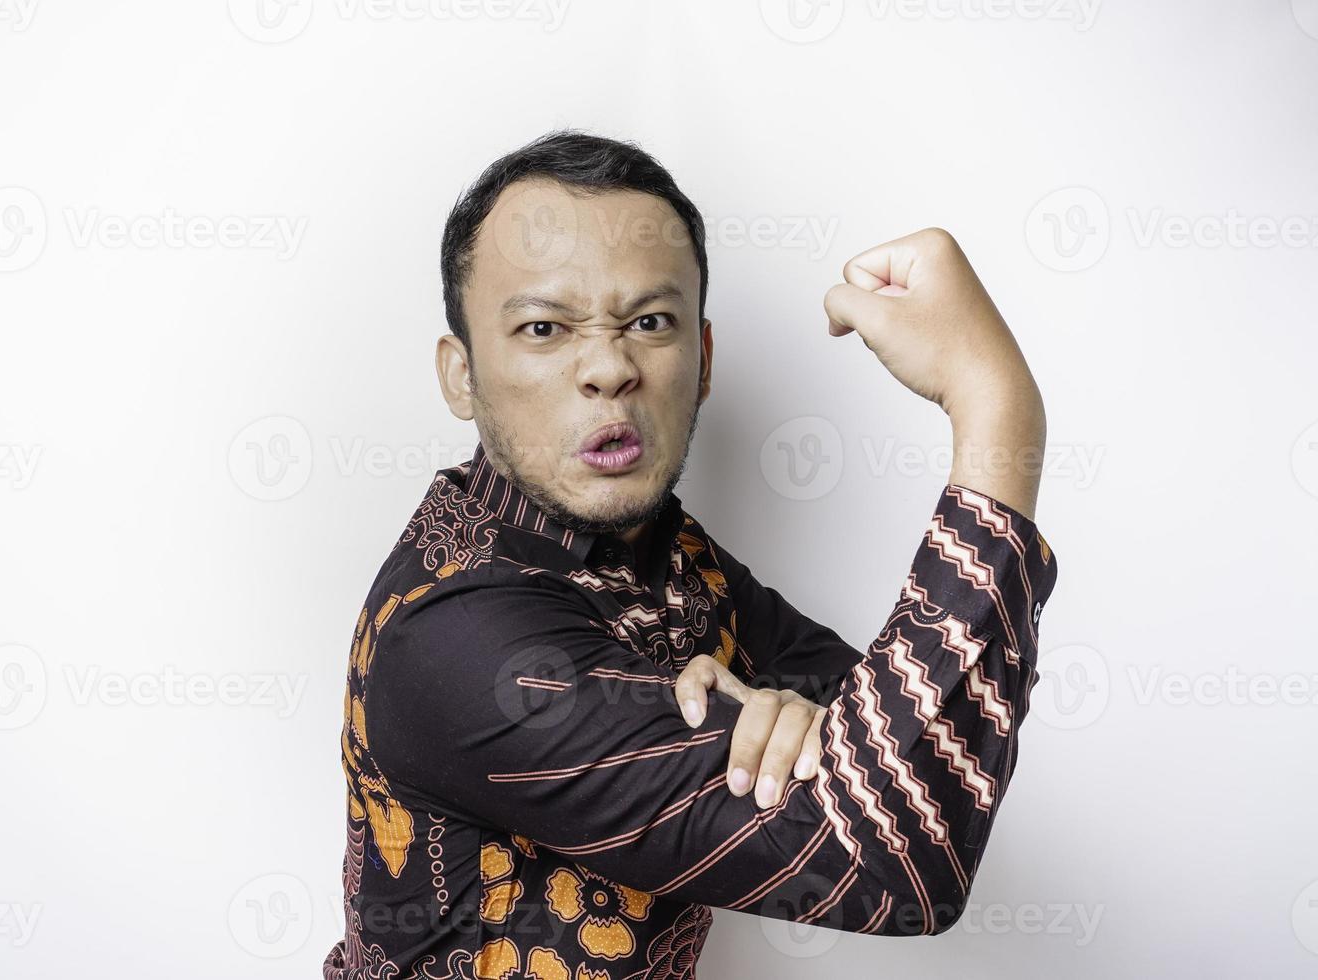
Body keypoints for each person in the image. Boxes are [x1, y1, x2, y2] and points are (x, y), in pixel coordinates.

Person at [324, 130, 1057, 980]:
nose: (608, 367)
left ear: (701, 360)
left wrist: (791, 709)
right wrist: (997, 404)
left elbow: (923, 752)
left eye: (649, 322)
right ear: (461, 375)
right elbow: (900, 860)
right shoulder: (454, 636)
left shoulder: (669, 556)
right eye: (543, 327)